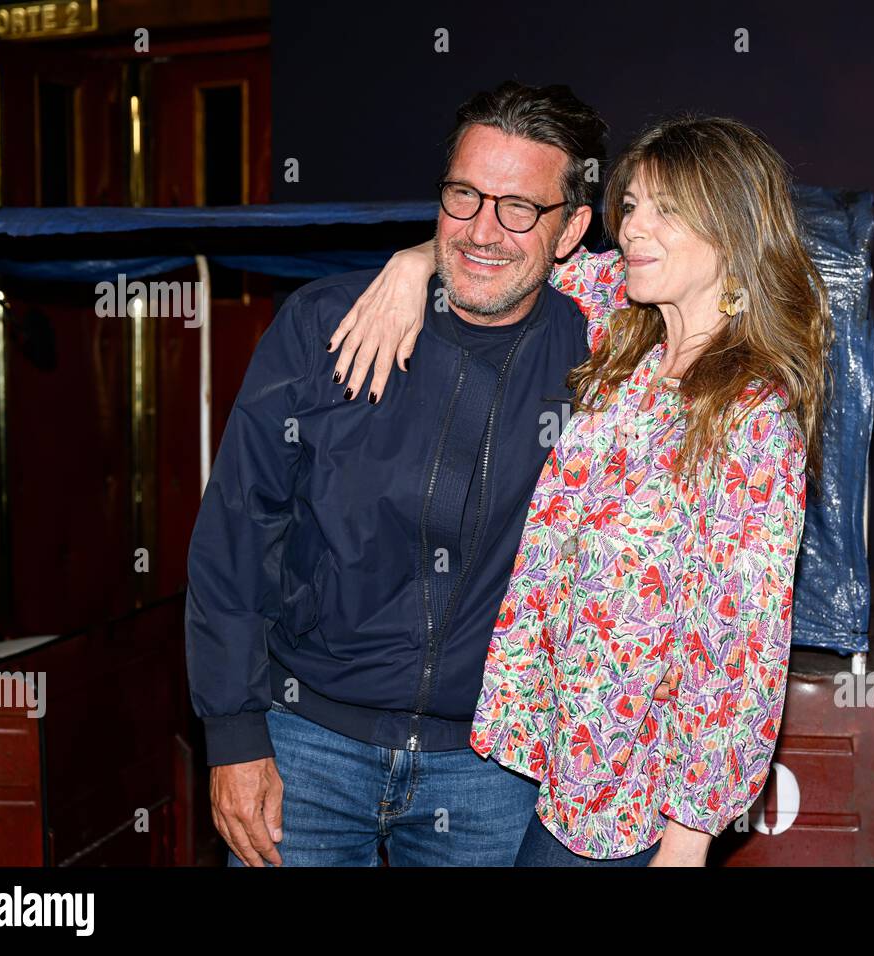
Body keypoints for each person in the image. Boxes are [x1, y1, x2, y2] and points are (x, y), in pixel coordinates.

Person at [328, 114, 833, 865]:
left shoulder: (752, 421)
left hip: (625, 811)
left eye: (666, 210)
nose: (633, 228)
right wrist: (411, 263)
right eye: (631, 206)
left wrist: (686, 846)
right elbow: (497, 257)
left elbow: (738, 657)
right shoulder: (618, 326)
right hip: (536, 766)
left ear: (733, 231)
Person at [184, 81, 617, 866]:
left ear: (572, 228)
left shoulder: (607, 362)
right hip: (302, 747)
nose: (483, 230)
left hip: (494, 768)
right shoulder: (324, 326)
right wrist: (233, 734)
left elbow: (722, 282)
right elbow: (236, 537)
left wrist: (416, 261)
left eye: (519, 207)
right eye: (464, 195)